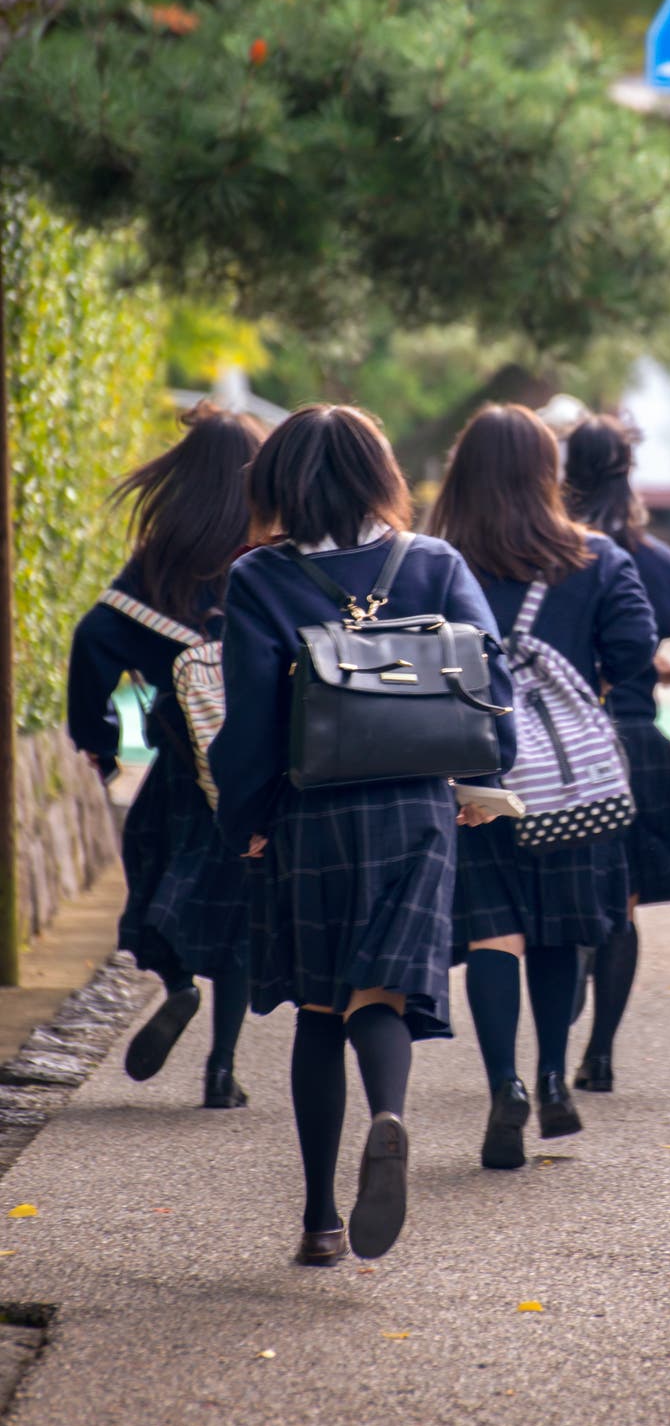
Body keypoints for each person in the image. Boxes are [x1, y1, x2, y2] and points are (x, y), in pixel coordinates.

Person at [209, 405, 515, 1268]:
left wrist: (248, 819)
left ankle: (319, 1220)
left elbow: (253, 726)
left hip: (313, 812)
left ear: (279, 484)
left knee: (318, 1006)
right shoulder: (434, 561)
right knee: (380, 993)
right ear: (380, 473)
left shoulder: (261, 578)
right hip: (420, 811)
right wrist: (484, 783)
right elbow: (492, 684)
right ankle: (391, 1115)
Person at [429, 404, 657, 1169]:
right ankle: (555, 1073)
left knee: (494, 927)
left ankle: (506, 1085)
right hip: (569, 786)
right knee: (559, 931)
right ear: (547, 475)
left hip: (466, 778)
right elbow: (634, 655)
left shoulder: (428, 561)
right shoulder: (596, 559)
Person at [68, 404, 265, 1109]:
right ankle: (222, 1068)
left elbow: (98, 635)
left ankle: (179, 989)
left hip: (177, 767)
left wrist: (103, 733)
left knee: (157, 887)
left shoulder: (162, 557)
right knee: (240, 918)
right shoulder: (264, 550)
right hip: (247, 771)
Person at [563, 415, 670, 1091]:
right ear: (627, 474)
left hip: (545, 748)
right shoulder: (653, 560)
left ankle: (564, 987)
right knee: (622, 903)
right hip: (630, 739)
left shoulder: (539, 552)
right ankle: (600, 1055)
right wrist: (668, 674)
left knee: (557, 888)